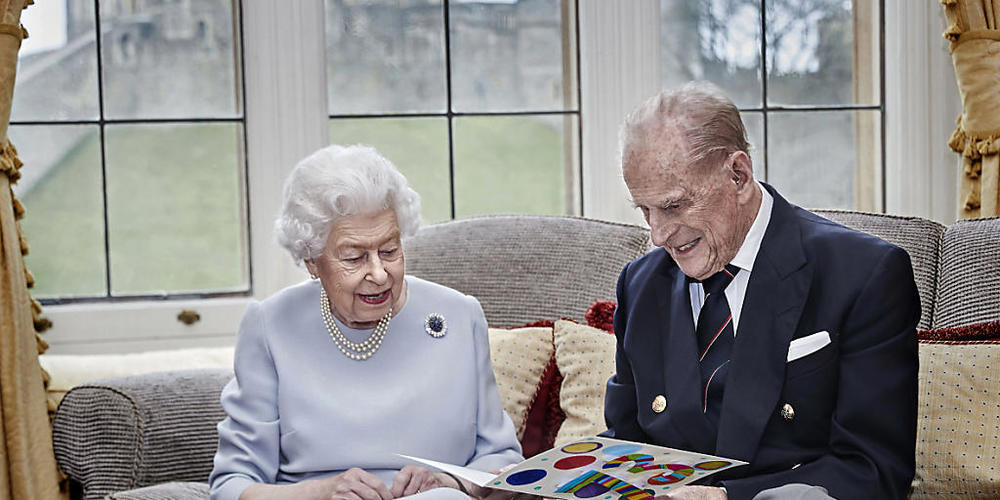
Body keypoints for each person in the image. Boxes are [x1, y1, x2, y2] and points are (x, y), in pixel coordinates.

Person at [603, 82, 920, 500]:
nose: (658, 235)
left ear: (738, 175)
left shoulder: (864, 275)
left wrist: (727, 499)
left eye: (673, 206)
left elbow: (874, 470)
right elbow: (625, 447)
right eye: (645, 211)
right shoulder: (639, 283)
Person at [210, 144, 524, 500]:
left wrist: (451, 483)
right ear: (312, 261)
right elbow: (231, 485)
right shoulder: (270, 325)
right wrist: (321, 492)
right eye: (354, 257)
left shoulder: (459, 314)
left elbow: (504, 461)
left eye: (389, 250)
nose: (379, 273)